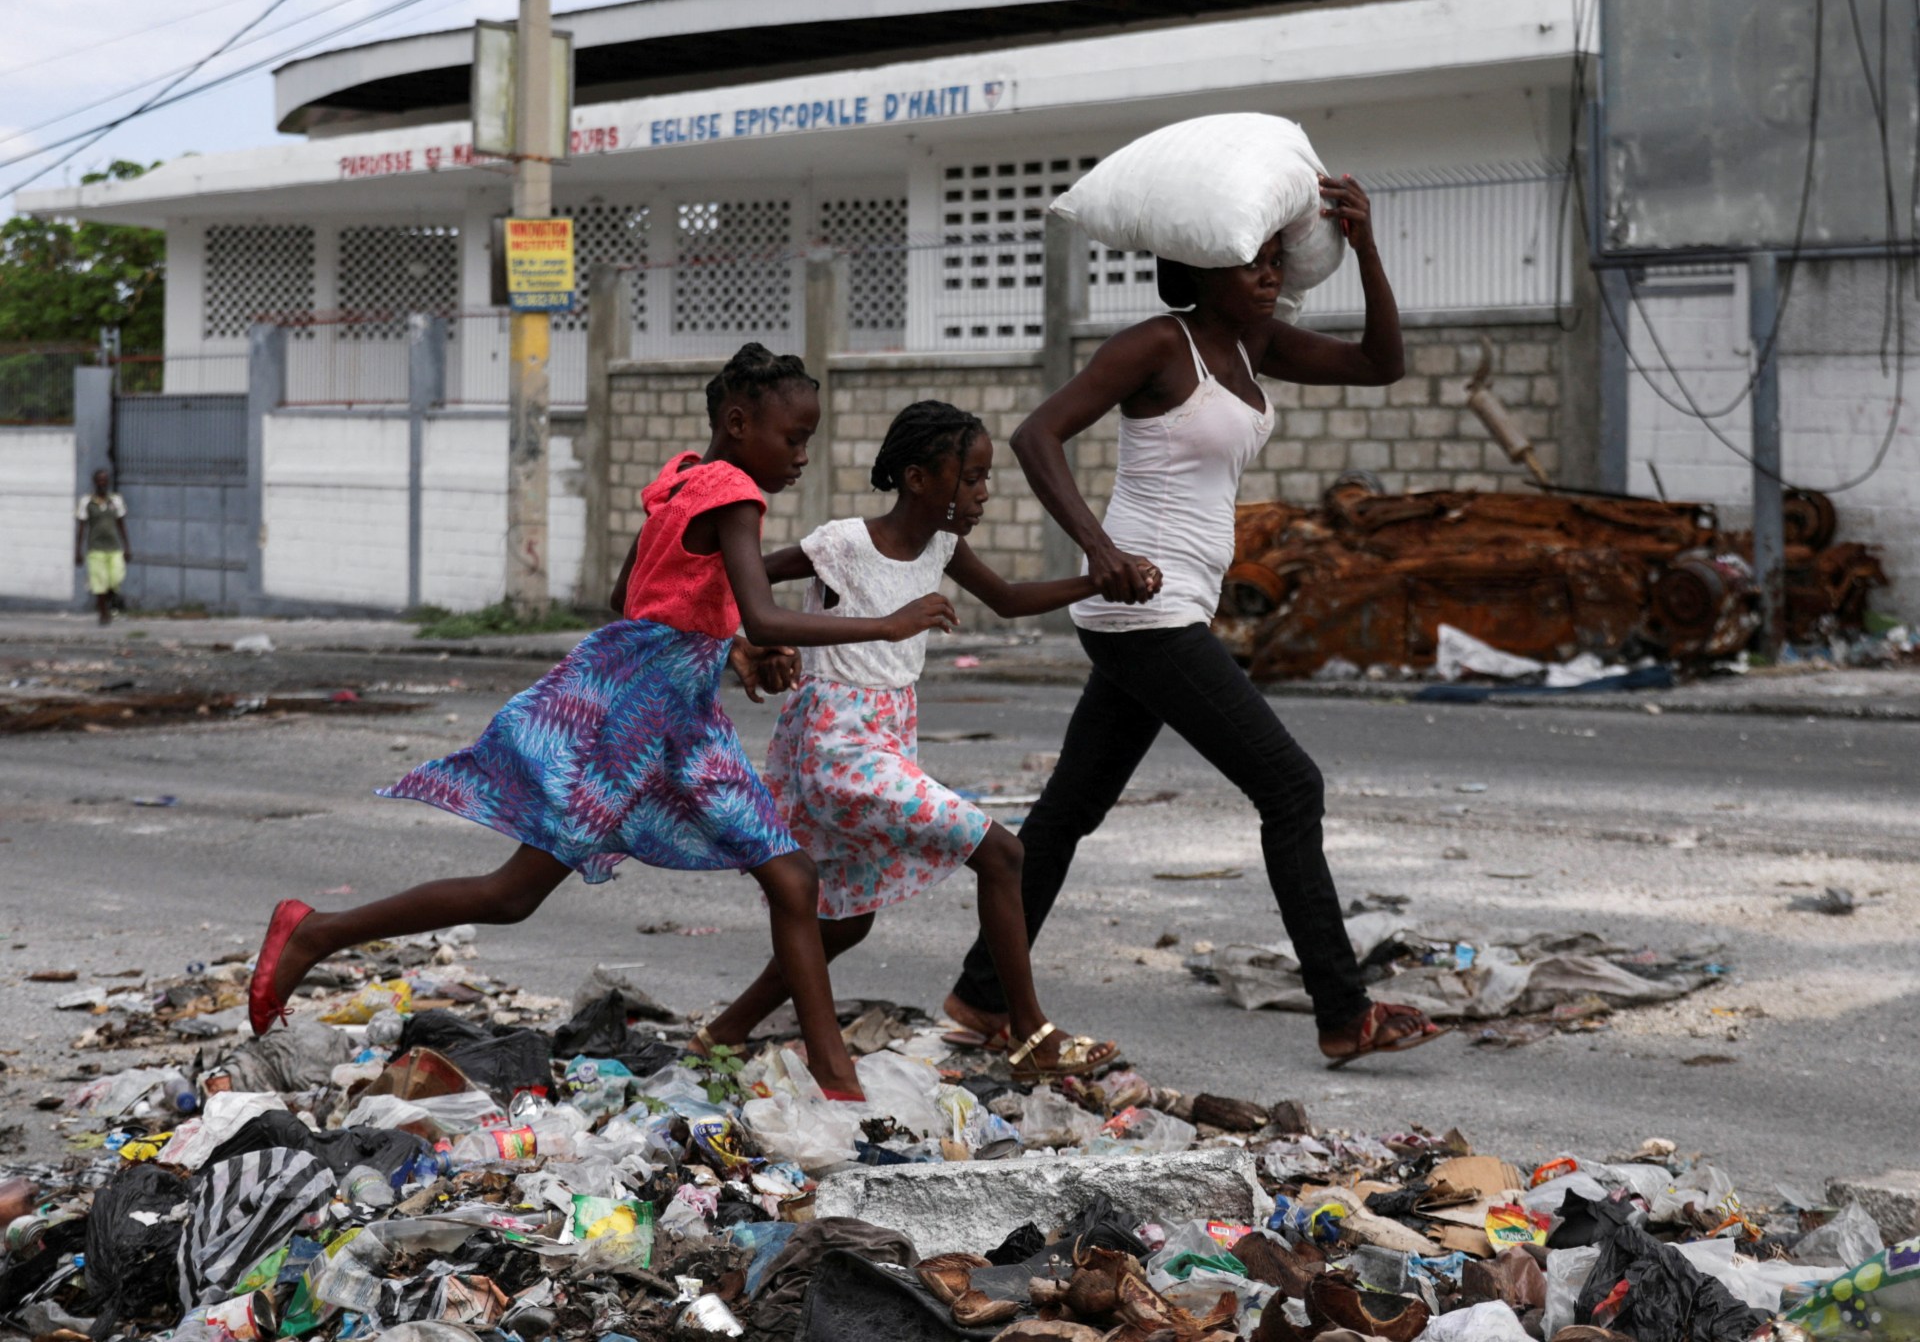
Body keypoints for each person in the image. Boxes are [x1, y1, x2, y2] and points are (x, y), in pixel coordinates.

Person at [246, 344, 956, 1102]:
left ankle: (833, 1076)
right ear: (739, 423)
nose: (802, 456)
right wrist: (884, 626)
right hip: (637, 722)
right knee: (537, 892)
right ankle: (314, 931)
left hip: (660, 711)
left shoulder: (682, 478)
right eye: (793, 438)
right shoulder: (732, 491)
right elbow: (759, 606)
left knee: (778, 876)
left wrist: (734, 653)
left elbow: (636, 595)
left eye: (808, 439)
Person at [944, 175, 1445, 1068]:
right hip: (1144, 607)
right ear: (1199, 270)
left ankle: (981, 997)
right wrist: (1097, 548)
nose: (1267, 271)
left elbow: (1382, 364)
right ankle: (1343, 1012)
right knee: (1291, 787)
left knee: (1067, 812)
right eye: (1246, 260)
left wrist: (1365, 246)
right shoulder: (1156, 345)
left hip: (1165, 610)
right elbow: (1036, 435)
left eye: (1273, 257)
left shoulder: (1256, 348)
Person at [692, 401, 1158, 1082]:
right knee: (1001, 852)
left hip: (887, 740)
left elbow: (1008, 598)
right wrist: (748, 644)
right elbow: (746, 578)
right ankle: (1031, 1036)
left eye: (984, 480)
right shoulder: (842, 542)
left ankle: (726, 1030)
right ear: (917, 477)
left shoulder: (941, 546)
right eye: (969, 479)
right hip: (834, 746)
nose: (982, 494)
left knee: (848, 922)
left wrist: (1101, 580)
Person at [75, 468, 130, 625]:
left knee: (115, 579)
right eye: (99, 479)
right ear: (95, 482)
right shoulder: (87, 501)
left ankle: (112, 599)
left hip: (114, 548)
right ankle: (103, 614)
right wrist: (78, 551)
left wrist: (127, 547)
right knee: (99, 583)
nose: (102, 482)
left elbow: (121, 524)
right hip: (95, 548)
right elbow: (81, 527)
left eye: (105, 479)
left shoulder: (115, 500)